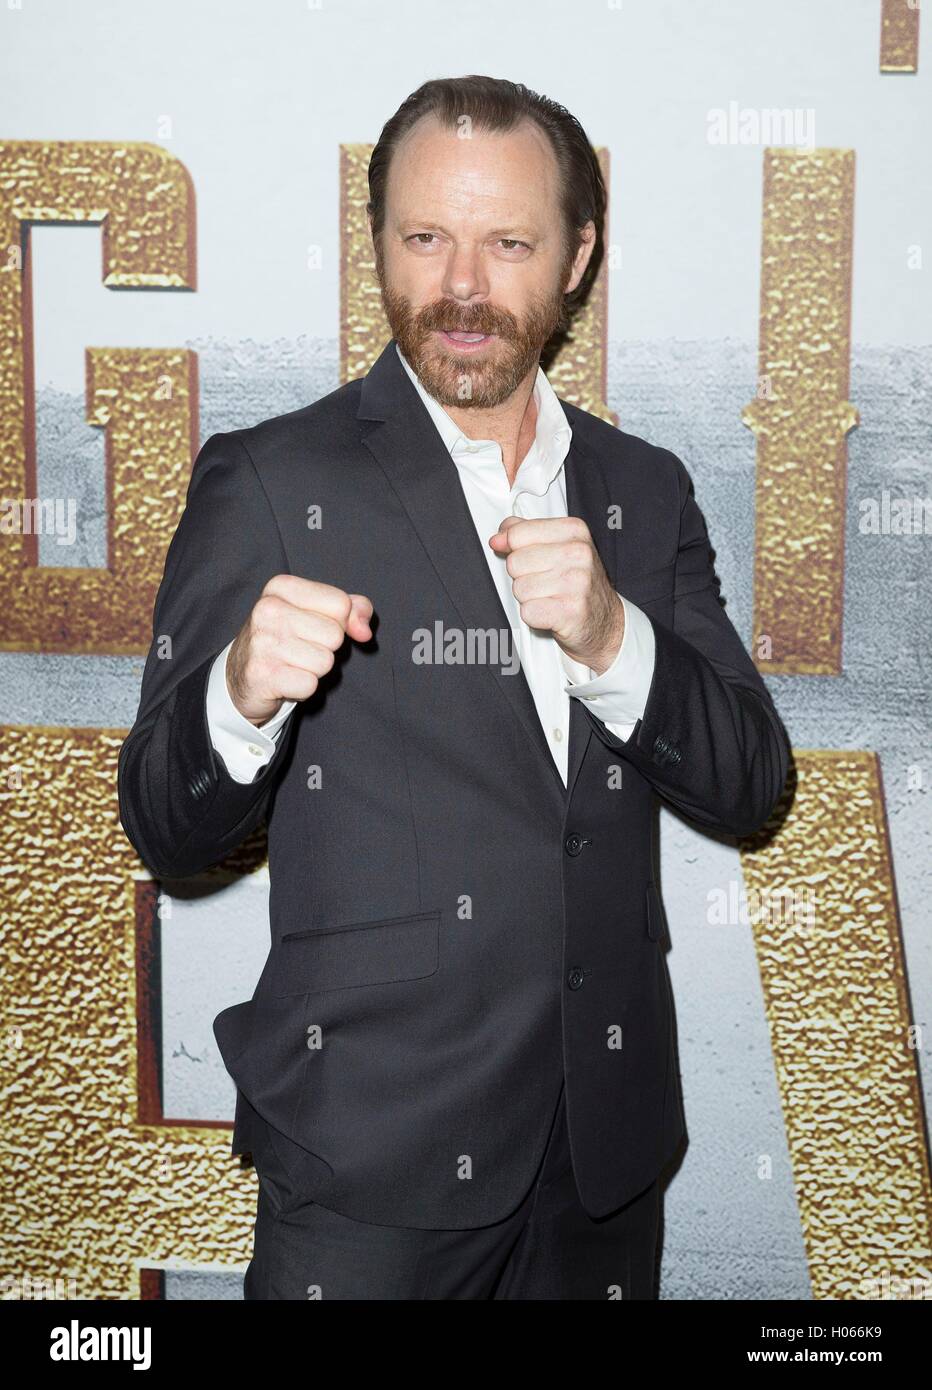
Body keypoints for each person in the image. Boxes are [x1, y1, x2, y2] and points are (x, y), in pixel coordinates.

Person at [118, 74, 790, 1300]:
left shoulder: (645, 487)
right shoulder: (270, 480)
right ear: (376, 241)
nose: (463, 287)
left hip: (601, 1166)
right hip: (369, 1171)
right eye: (424, 238)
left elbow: (752, 783)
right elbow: (164, 827)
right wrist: (237, 698)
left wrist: (611, 641)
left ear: (578, 254)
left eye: (509, 242)